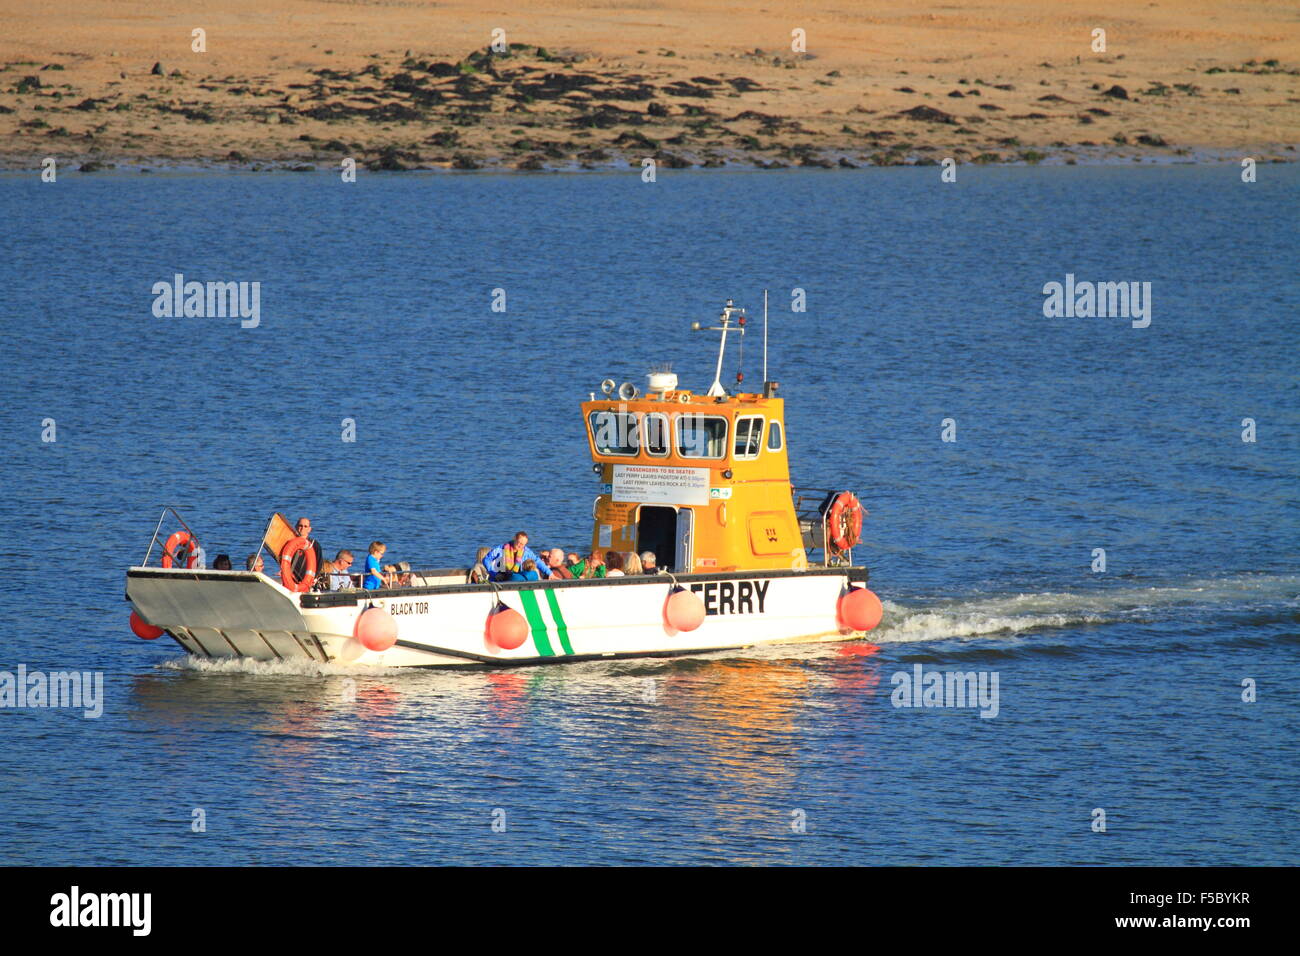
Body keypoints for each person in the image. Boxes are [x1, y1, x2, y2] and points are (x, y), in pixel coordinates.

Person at [484, 531, 551, 581]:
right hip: (499, 578)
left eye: (522, 544)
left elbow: (538, 561)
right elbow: (486, 559)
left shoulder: (527, 552)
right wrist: (493, 572)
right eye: (519, 542)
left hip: (516, 578)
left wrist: (550, 573)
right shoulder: (500, 549)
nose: (520, 545)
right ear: (514, 539)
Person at [291, 516, 324, 587]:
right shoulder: (290, 543)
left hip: (307, 581)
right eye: (300, 526)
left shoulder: (315, 545)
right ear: (296, 527)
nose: (302, 528)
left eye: (305, 526)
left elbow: (319, 564)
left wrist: (314, 579)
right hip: (290, 579)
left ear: (309, 529)